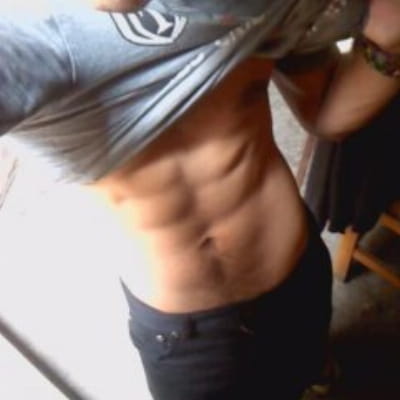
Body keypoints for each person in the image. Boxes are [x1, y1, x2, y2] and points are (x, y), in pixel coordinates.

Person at [1, 0, 400, 398]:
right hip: (188, 336)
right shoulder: (20, 36)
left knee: (310, 369)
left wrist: (389, 45)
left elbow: (326, 111)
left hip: (297, 270)